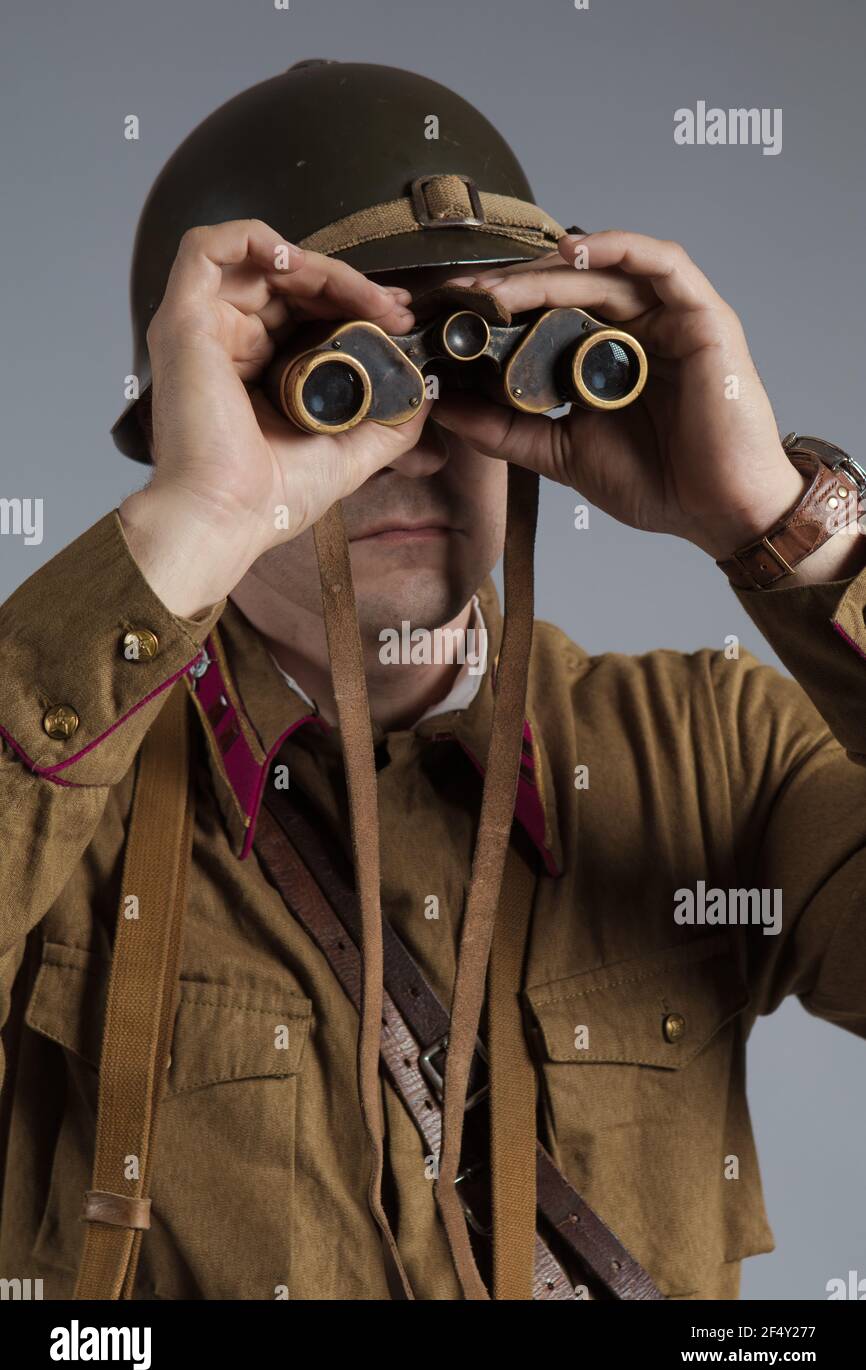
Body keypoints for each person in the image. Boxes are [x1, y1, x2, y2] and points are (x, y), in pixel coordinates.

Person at [0, 60, 864, 1303]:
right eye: (334, 377)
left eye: (466, 370)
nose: (410, 447)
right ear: (195, 409)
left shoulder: (708, 753)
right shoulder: (68, 802)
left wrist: (783, 529)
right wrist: (193, 521)